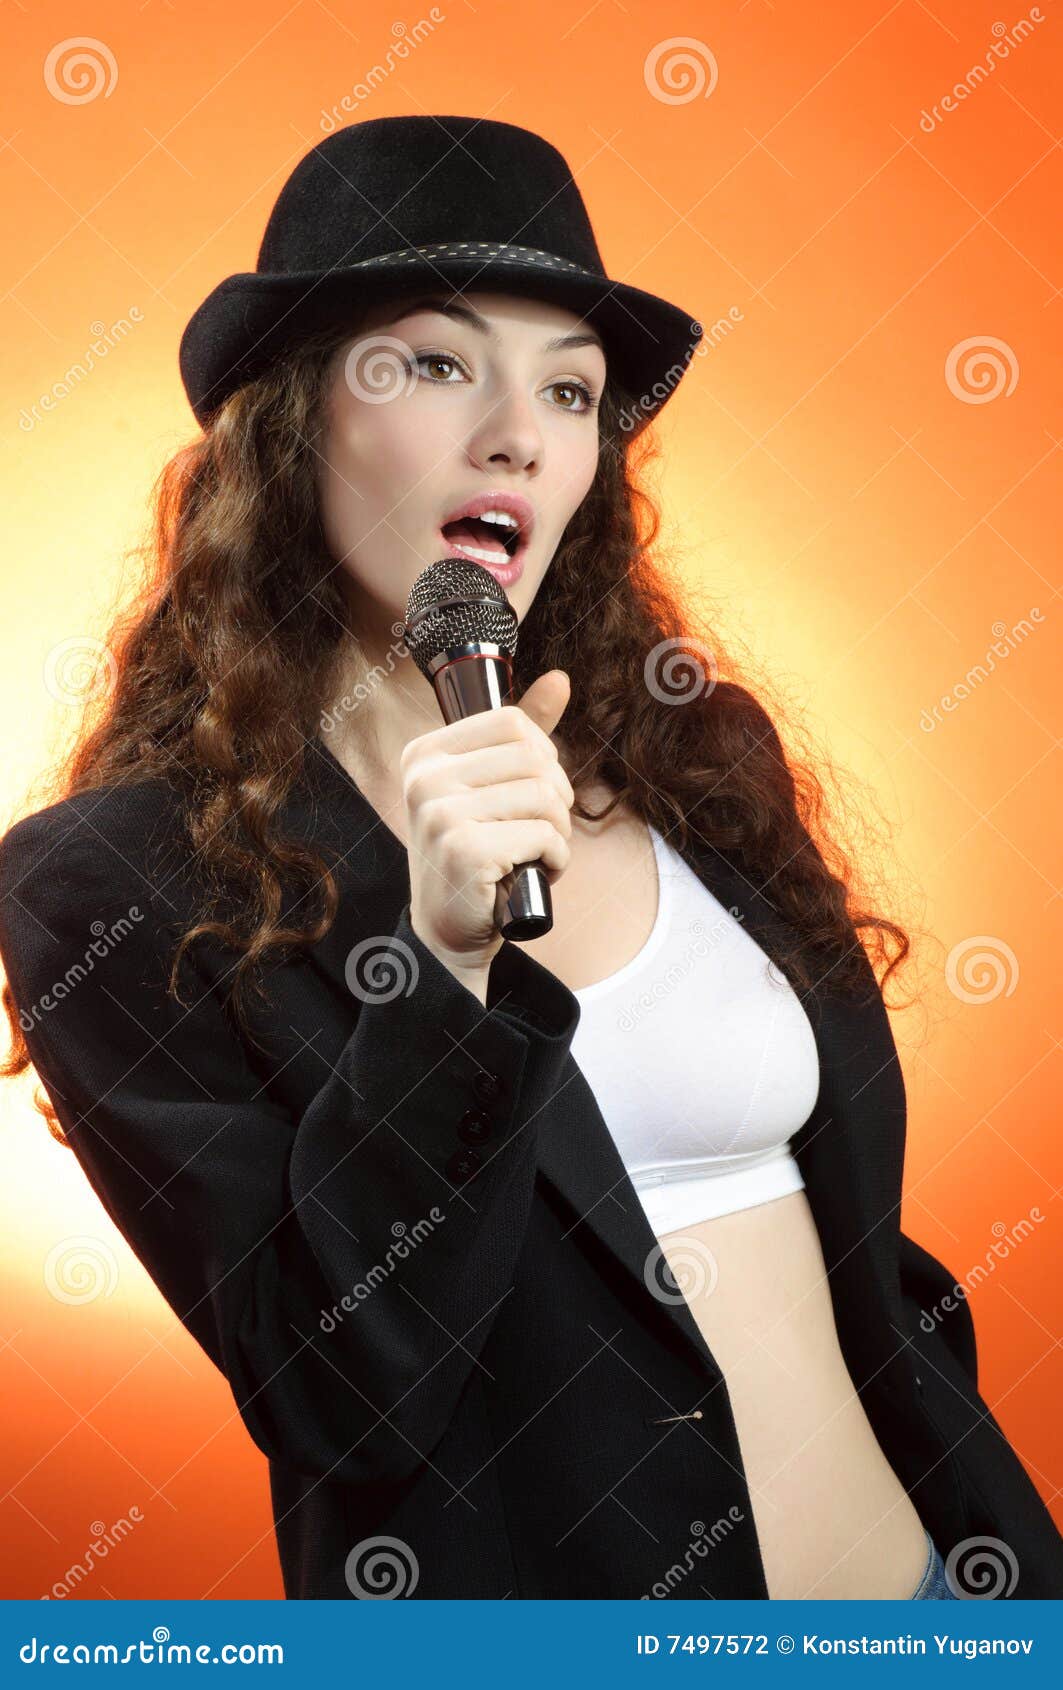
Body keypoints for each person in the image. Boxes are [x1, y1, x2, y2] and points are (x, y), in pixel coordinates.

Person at [1, 115, 1061, 1603]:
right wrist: (440, 972)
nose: (518, 428)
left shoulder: (696, 759)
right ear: (293, 421)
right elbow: (340, 1395)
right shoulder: (110, 886)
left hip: (942, 1601)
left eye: (569, 388)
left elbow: (855, 1247)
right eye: (437, 364)